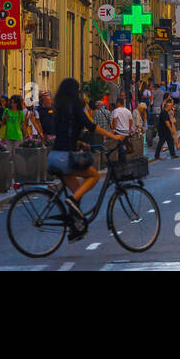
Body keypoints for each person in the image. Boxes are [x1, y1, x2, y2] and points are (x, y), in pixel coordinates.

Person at [45, 77, 127, 240]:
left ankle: (75, 229)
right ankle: (72, 203)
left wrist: (81, 142)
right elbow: (90, 126)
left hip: (55, 155)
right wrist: (114, 136)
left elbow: (64, 132)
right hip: (65, 157)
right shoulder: (74, 105)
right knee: (94, 176)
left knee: (77, 191)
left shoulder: (60, 107)